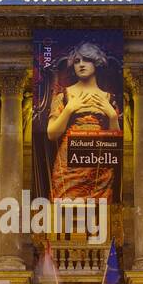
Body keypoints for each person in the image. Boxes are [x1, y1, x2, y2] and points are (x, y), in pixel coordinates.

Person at [43, 42, 121, 201]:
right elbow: (51, 134)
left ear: (97, 63)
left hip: (99, 162)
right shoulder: (64, 95)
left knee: (99, 213)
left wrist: (112, 116)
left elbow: (115, 143)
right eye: (77, 61)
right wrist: (69, 109)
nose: (81, 65)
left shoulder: (109, 98)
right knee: (65, 208)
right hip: (70, 163)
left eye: (87, 60)